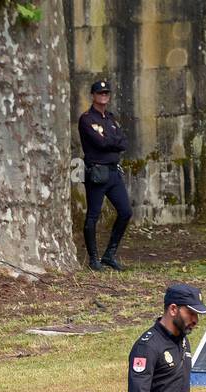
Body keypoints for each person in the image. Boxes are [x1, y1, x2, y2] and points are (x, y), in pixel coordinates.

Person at [78, 79, 132, 272]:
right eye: (100, 93)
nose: (104, 96)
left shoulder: (110, 118)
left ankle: (109, 254)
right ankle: (93, 259)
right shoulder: (86, 119)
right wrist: (112, 141)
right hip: (97, 172)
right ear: (93, 95)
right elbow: (99, 144)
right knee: (93, 215)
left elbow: (123, 142)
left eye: (106, 93)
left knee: (126, 212)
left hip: (113, 171)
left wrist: (110, 141)